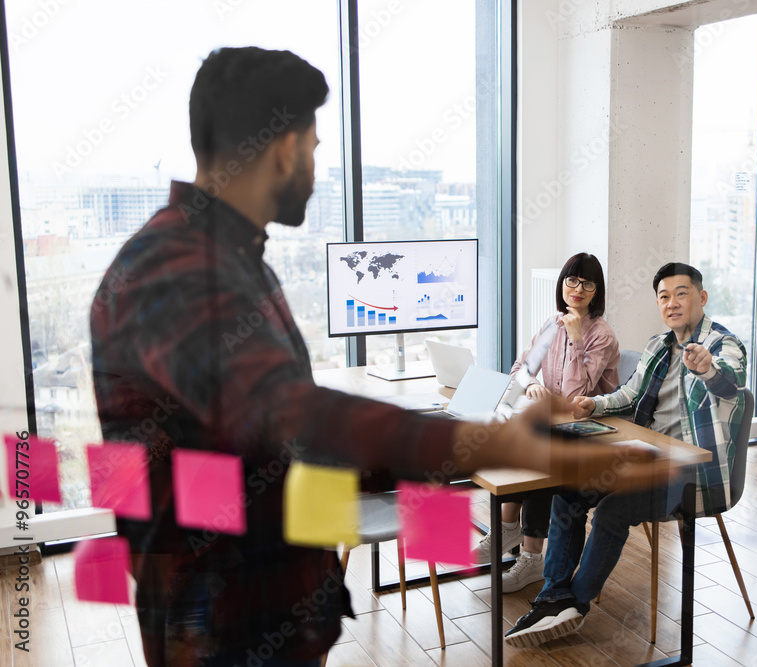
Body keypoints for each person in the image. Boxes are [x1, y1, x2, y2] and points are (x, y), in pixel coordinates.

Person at [89, 47, 670, 667]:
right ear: (281, 146)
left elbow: (277, 447)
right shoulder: (179, 267)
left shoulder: (221, 260)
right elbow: (293, 418)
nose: (315, 163)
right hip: (219, 618)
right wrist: (509, 447)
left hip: (253, 602)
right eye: (313, 144)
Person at [503, 262, 747, 648]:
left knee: (614, 510)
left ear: (701, 297)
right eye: (664, 296)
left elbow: (732, 384)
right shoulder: (658, 344)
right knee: (569, 491)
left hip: (690, 472)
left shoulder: (722, 346)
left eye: (681, 294)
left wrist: (707, 370)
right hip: (644, 458)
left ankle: (574, 603)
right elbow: (629, 395)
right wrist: (594, 405)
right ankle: (552, 596)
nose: (671, 303)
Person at [471, 253, 620, 592]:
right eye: (572, 280)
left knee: (541, 460)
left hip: (592, 430)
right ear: (562, 284)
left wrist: (577, 340)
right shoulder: (551, 324)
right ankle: (507, 528)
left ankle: (532, 558)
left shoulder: (602, 336)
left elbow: (574, 396)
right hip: (554, 423)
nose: (577, 288)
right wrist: (534, 383)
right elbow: (519, 371)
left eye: (587, 283)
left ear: (597, 291)